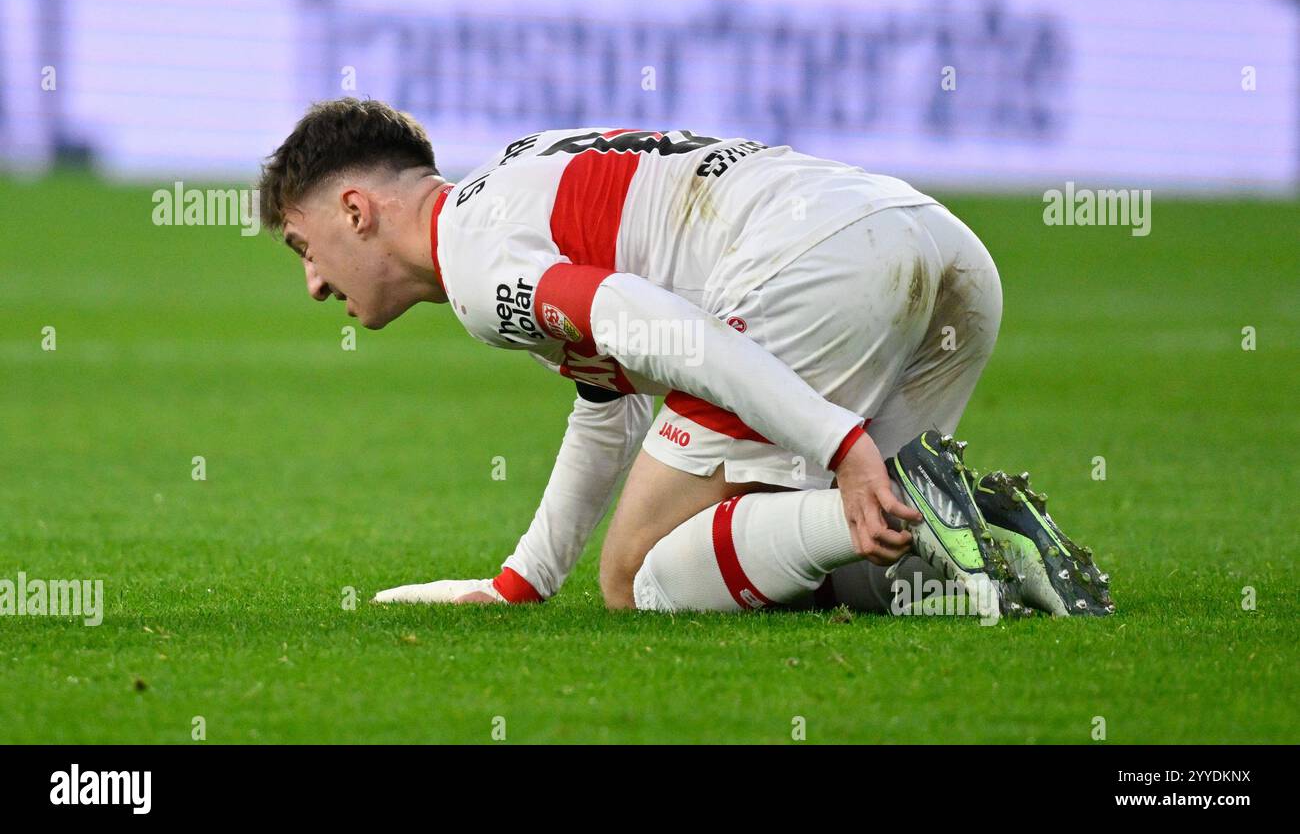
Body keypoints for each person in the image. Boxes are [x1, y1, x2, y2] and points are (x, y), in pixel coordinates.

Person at [257, 98, 1113, 620]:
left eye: (303, 244)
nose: (312, 283)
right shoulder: (514, 178)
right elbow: (611, 399)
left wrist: (842, 448)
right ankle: (992, 543)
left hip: (813, 270)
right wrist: (523, 579)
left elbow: (653, 323)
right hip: (936, 241)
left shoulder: (480, 269)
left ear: (358, 211)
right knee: (853, 562)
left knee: (636, 575)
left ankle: (921, 505)